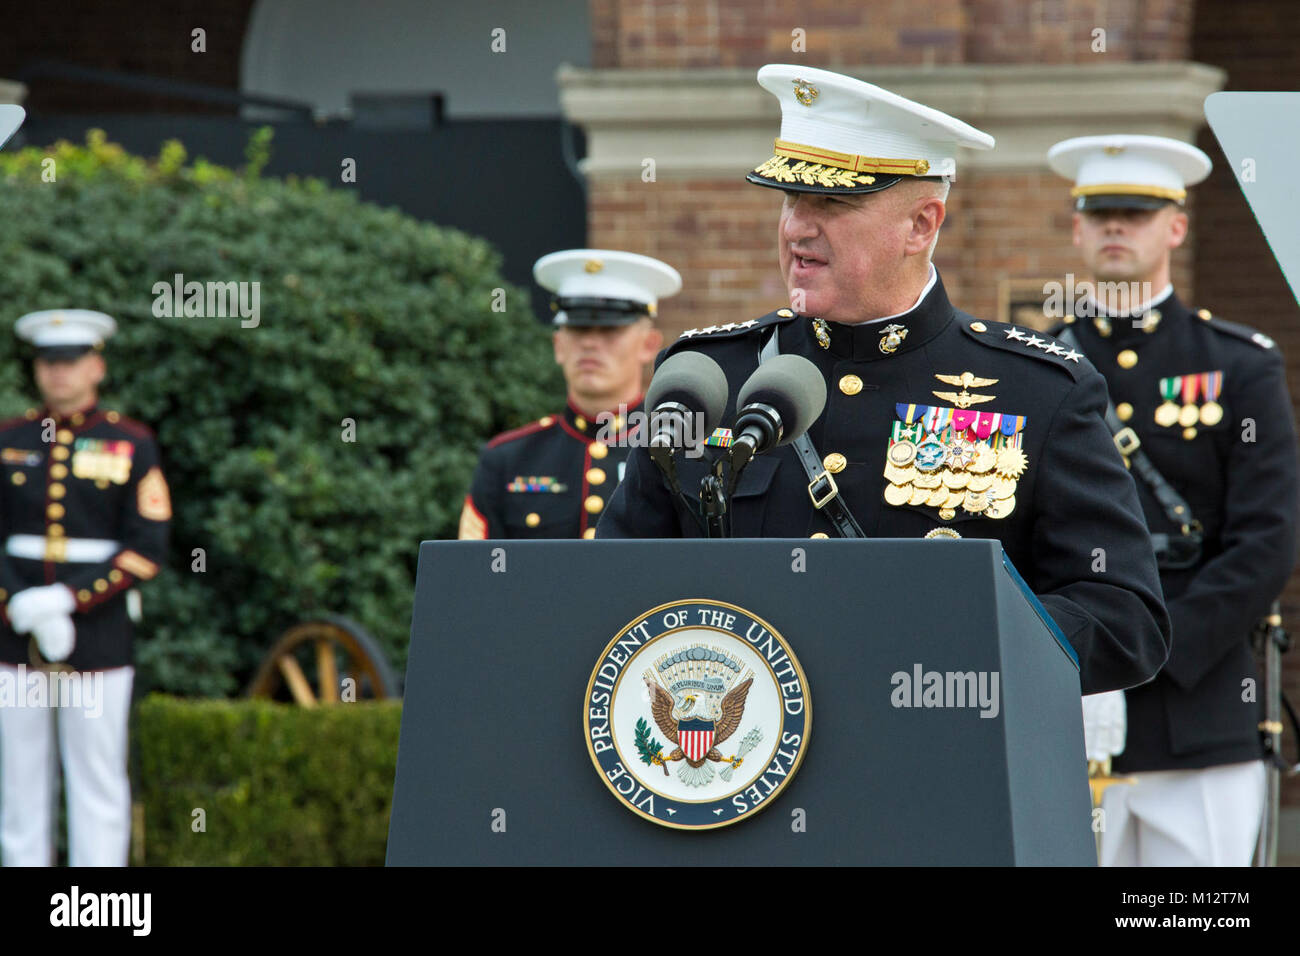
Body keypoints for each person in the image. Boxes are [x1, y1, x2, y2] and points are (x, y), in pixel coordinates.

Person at [596, 64, 1171, 696]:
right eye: (790, 199)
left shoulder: (1040, 390)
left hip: (935, 756)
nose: (795, 228)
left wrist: (946, 645)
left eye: (833, 204)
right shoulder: (707, 376)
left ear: (921, 225)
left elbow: (1124, 617)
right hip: (733, 762)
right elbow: (614, 584)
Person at [1045, 134, 1298, 866]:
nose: (1116, 228)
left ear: (1176, 227)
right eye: (1101, 214)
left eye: (1137, 212)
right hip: (1066, 705)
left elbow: (1265, 543)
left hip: (1198, 715)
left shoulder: (1236, 365)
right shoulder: (1035, 366)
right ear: (1076, 228)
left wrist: (1150, 654)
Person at [0, 309, 171, 866]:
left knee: (97, 778)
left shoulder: (130, 442)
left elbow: (148, 548)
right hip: (12, 633)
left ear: (97, 365)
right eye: (49, 362)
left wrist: (68, 600)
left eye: (71, 362)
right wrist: (18, 603)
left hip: (97, 633)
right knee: (20, 781)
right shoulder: (10, 438)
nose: (58, 374)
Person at [459, 249, 676, 540]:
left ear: (649, 345)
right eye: (577, 328)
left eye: (610, 331)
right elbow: (477, 576)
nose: (589, 343)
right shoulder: (507, 460)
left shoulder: (679, 453)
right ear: (558, 345)